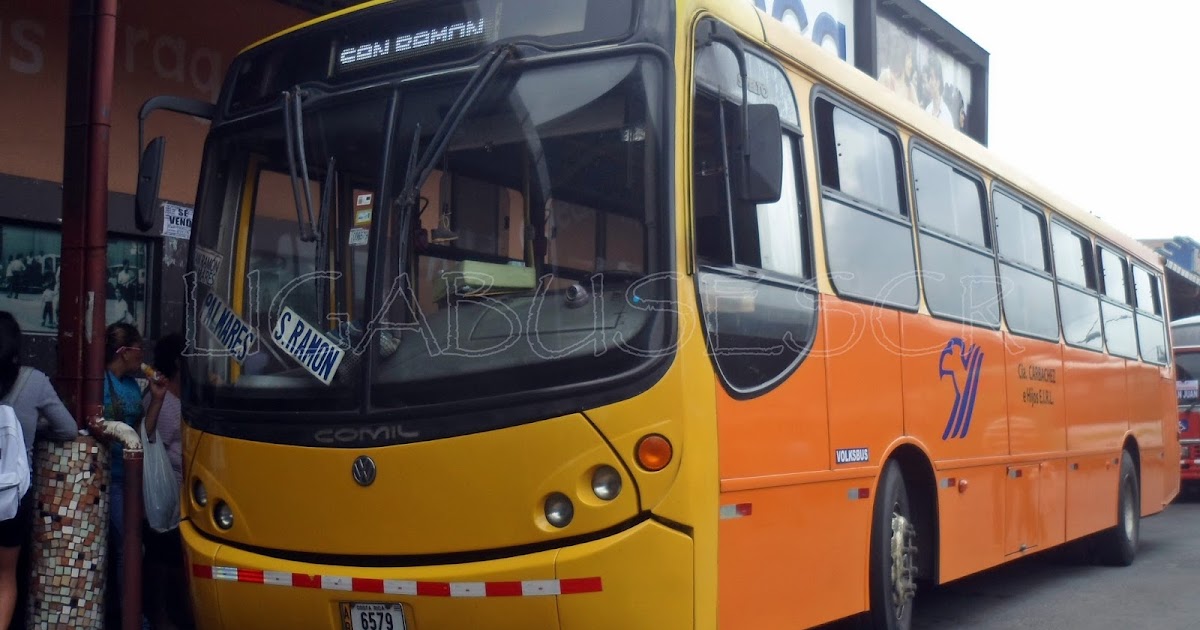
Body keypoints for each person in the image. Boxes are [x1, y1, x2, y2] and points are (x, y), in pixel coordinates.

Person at [0, 311, 78, 628]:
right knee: (5, 577)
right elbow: (68, 429)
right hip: (10, 498)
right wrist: (31, 429)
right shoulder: (33, 381)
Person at [102, 322, 162, 630]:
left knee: (131, 545)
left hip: (131, 479)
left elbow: (144, 434)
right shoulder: (100, 382)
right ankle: (131, 618)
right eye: (138, 349)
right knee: (129, 545)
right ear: (124, 352)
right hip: (107, 479)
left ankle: (128, 613)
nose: (143, 356)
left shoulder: (130, 386)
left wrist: (157, 399)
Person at [141, 333, 191, 629]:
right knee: (163, 557)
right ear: (178, 361)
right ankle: (159, 614)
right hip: (163, 495)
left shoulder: (183, 394)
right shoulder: (162, 399)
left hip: (182, 495)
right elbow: (150, 441)